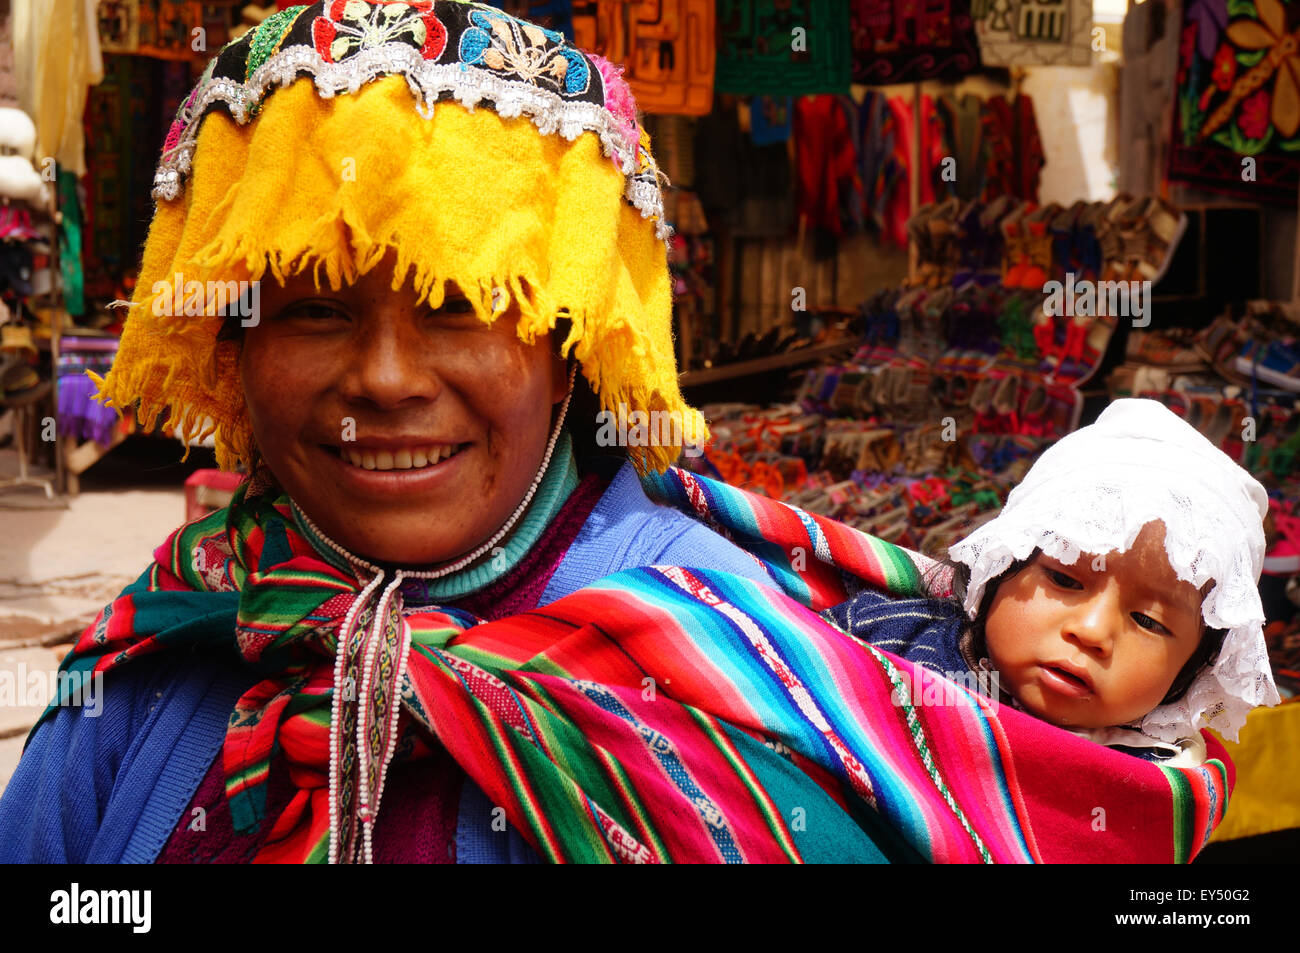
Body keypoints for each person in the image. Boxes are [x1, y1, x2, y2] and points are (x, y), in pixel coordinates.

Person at [0, 3, 1245, 864]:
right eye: (313, 308)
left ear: (569, 337)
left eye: (458, 305)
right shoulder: (160, 650)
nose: (383, 378)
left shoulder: (747, 669)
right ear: (235, 345)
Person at [824, 398, 1282, 767]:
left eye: (1148, 620)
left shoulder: (1154, 779)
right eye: (1064, 578)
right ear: (999, 570)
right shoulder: (889, 636)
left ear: (1194, 670)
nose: (1091, 632)